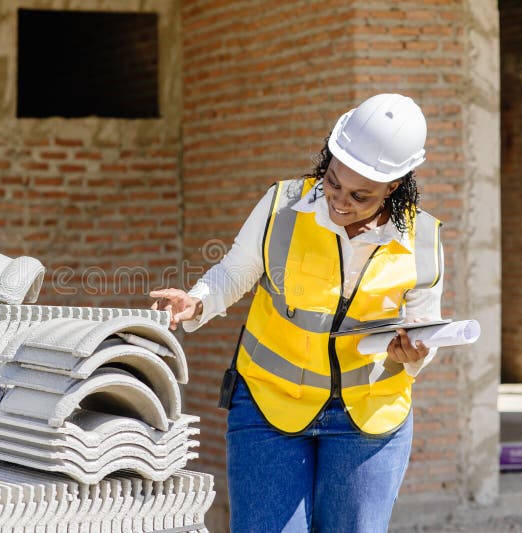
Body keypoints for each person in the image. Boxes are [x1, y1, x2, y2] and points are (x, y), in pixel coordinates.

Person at [149, 93, 443, 533]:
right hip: (270, 405)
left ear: (394, 186)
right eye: (333, 182)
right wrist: (198, 301)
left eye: (361, 195)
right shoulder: (281, 205)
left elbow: (426, 330)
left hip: (370, 416)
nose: (340, 201)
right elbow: (235, 271)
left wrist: (415, 354)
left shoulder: (422, 239)